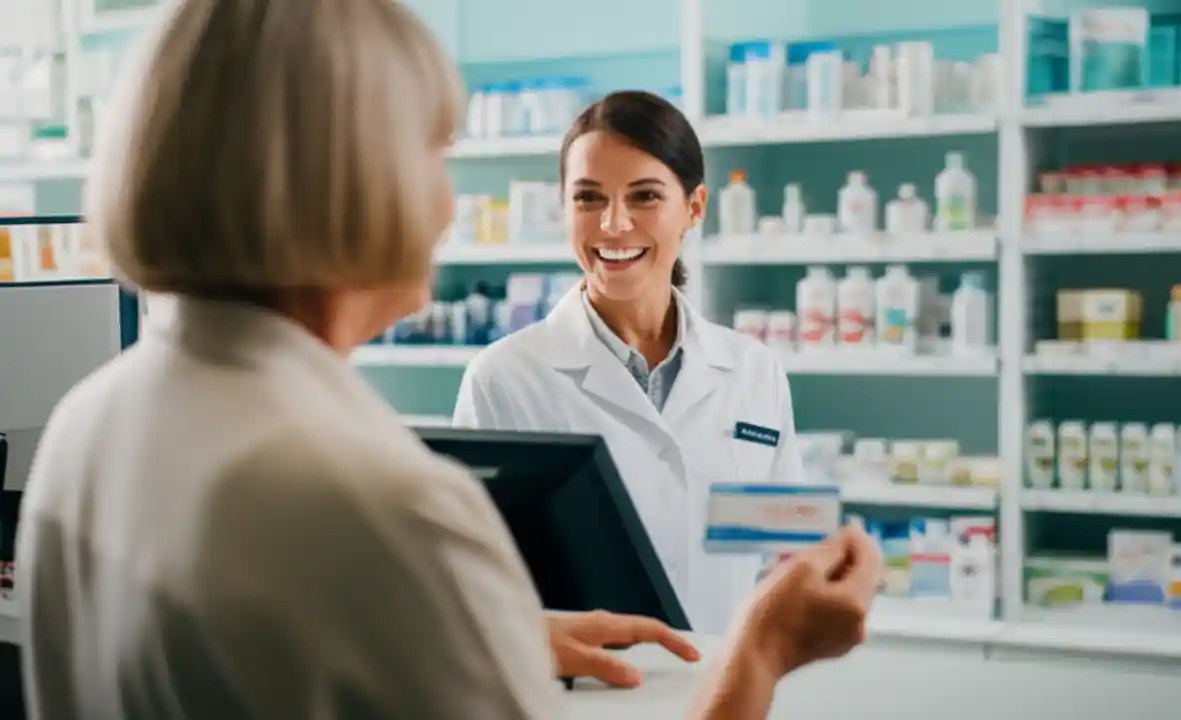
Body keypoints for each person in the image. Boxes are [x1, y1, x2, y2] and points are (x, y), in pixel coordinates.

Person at [16, 1, 882, 718]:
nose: (443, 204)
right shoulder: (380, 502)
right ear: (339, 181)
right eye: (430, 154)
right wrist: (761, 654)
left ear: (691, 208)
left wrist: (491, 635)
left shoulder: (89, 425)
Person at [454, 90, 802, 632]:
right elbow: (474, 581)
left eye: (644, 197)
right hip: (582, 680)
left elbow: (784, 556)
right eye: (588, 198)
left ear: (694, 207)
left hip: (727, 675)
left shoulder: (756, 372)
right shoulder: (503, 379)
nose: (613, 224)